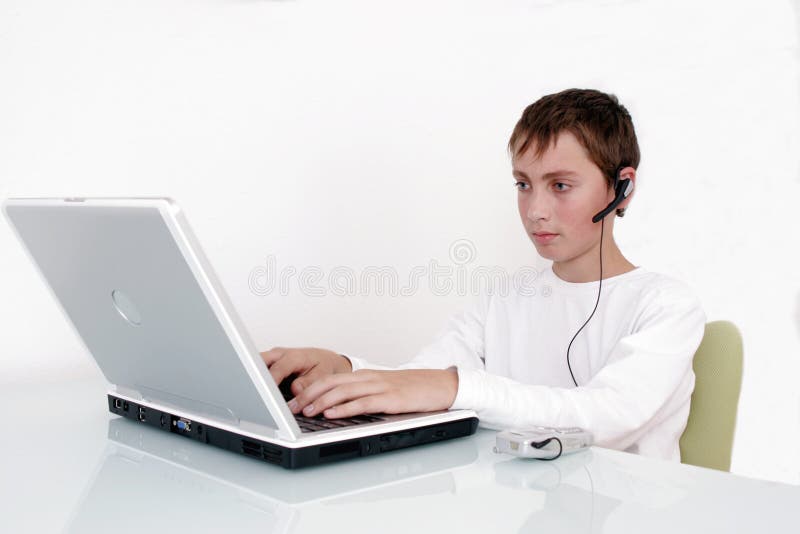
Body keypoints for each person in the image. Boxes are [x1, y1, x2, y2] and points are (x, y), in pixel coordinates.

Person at [260, 88, 706, 461]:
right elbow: (423, 380)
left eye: (561, 186)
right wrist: (345, 367)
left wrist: (457, 388)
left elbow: (607, 418)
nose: (535, 210)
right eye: (523, 184)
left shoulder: (666, 306)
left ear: (622, 189)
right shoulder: (505, 299)